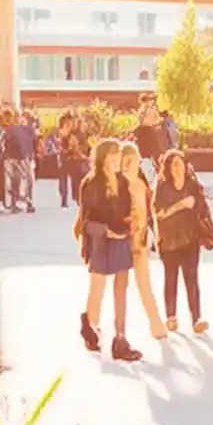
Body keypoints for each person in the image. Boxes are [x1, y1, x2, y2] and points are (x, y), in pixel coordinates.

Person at [74, 139, 142, 362]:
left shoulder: (122, 181)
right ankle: (89, 324)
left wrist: (131, 220)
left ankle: (120, 340)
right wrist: (105, 230)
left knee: (121, 288)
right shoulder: (91, 184)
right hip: (100, 240)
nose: (116, 160)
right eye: (112, 155)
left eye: (118, 155)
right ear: (102, 157)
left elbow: (127, 207)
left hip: (121, 237)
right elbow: (85, 222)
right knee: (98, 288)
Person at [152, 149, 208, 335]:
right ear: (167, 167)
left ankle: (196, 317)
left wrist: (194, 202)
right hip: (169, 240)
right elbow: (158, 213)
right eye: (173, 164)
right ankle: (171, 316)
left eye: (180, 163)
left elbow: (201, 206)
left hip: (190, 237)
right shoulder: (162, 186)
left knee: (192, 277)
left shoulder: (192, 184)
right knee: (171, 277)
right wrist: (180, 205)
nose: (178, 167)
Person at [119, 142, 167, 340]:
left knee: (142, 282)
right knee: (121, 284)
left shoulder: (138, 183)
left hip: (138, 237)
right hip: (123, 236)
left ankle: (155, 322)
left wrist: (148, 234)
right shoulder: (123, 184)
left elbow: (146, 212)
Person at [7, 112, 38, 213]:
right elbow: (9, 143)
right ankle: (15, 203)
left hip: (24, 158)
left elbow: (33, 144)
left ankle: (26, 202)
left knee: (26, 180)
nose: (21, 121)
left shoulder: (29, 130)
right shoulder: (12, 129)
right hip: (17, 158)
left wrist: (32, 156)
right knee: (17, 180)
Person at [57, 109, 88, 208]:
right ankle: (64, 199)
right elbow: (61, 140)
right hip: (66, 155)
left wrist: (80, 152)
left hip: (76, 156)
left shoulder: (80, 130)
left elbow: (84, 143)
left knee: (76, 178)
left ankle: (76, 198)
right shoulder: (64, 126)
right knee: (64, 178)